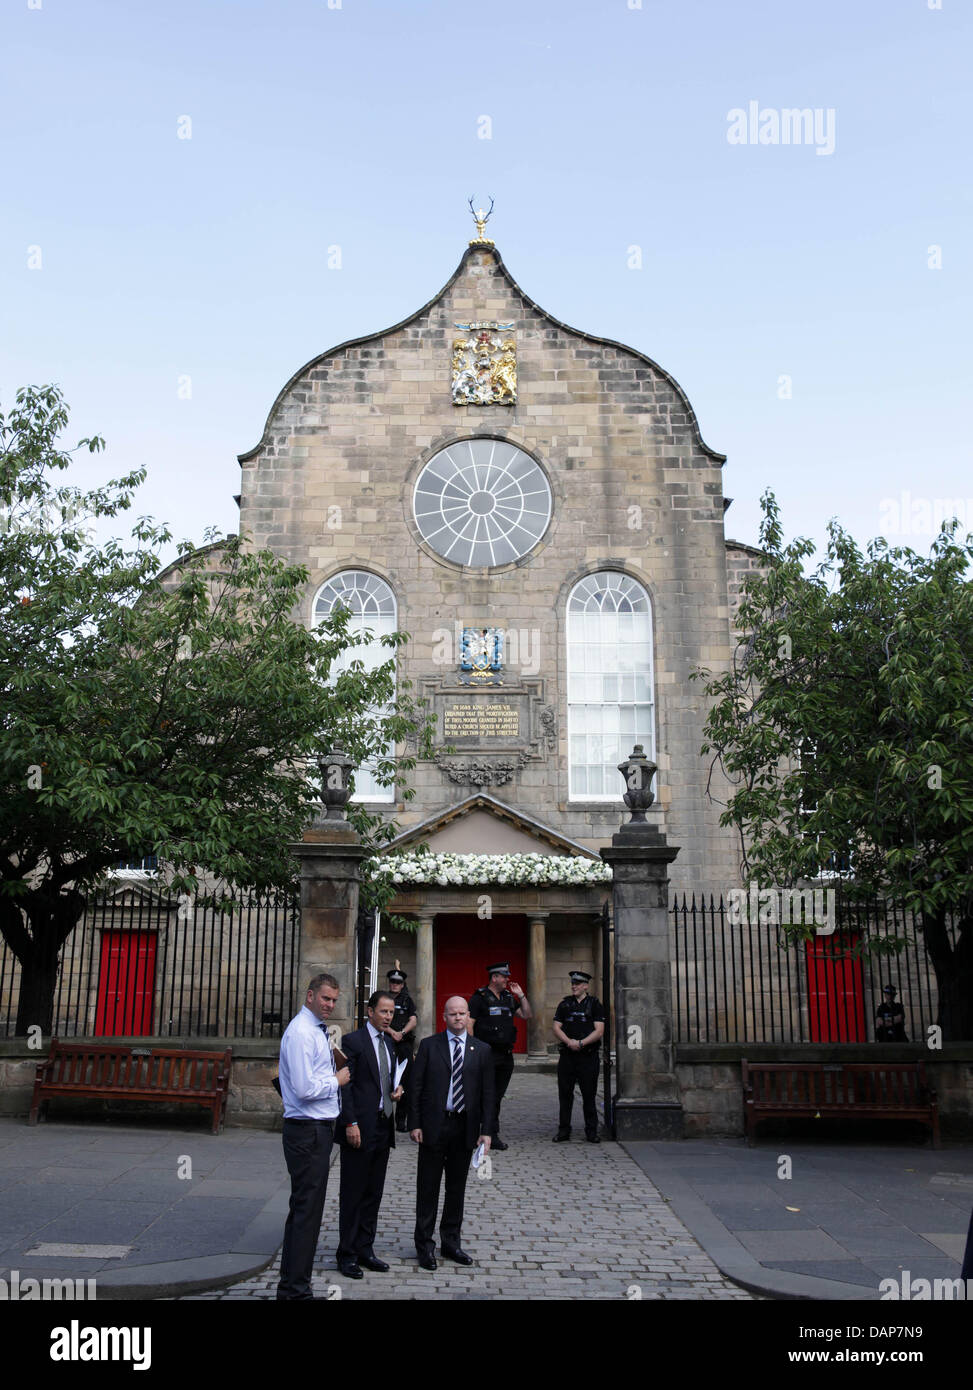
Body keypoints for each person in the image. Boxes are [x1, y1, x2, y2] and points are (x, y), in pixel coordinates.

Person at [275, 973, 351, 1300]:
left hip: (317, 1130)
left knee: (307, 1211)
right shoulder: (302, 1033)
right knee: (306, 1213)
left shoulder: (316, 1031)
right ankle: (295, 1290)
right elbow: (305, 1090)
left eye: (334, 1000)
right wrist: (338, 1080)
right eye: (325, 999)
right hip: (306, 1131)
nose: (330, 1005)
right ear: (310, 996)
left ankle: (294, 1286)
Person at [409, 995, 494, 1270]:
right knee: (428, 1188)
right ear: (444, 1017)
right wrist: (415, 1123)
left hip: (464, 1127)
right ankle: (424, 1245)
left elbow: (488, 1095)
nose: (458, 1018)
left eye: (462, 1014)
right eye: (453, 1014)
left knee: (456, 1189)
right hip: (434, 1126)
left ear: (469, 1016)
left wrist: (487, 1131)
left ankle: (451, 1242)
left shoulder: (481, 1050)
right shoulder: (429, 1046)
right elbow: (416, 1087)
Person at [334, 990, 404, 1277]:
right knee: (353, 1191)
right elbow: (345, 1087)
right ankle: (347, 1253)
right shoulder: (353, 1042)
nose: (388, 1017)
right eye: (384, 1011)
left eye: (391, 1012)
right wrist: (350, 1123)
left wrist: (397, 1092)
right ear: (370, 1011)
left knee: (373, 1192)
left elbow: (386, 1079)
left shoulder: (390, 1043)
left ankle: (366, 1248)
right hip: (359, 1127)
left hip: (382, 1125)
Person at [468, 961, 531, 1150]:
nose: (507, 980)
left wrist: (521, 995)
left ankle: (491, 1133)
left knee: (496, 1096)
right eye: (504, 976)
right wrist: (471, 1050)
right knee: (481, 1095)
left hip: (505, 1055)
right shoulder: (479, 998)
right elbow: (470, 1023)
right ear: (494, 977)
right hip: (486, 1054)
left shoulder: (508, 998)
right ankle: (474, 1133)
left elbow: (527, 1014)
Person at [552, 970, 606, 1143]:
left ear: (585, 986)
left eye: (577, 984)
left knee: (589, 1094)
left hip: (588, 1057)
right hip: (568, 1056)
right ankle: (564, 1131)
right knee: (565, 1095)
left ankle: (591, 1131)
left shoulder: (594, 1004)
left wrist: (581, 1043)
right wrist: (569, 1042)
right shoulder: (565, 1005)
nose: (573, 986)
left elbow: (599, 1031)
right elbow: (556, 1027)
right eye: (572, 983)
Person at [386, 967, 417, 1132]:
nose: (395, 985)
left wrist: (402, 1033)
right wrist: (392, 1033)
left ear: (402, 984)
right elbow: (376, 1019)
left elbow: (413, 1019)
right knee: (386, 1079)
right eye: (392, 981)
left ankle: (401, 1120)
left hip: (404, 1045)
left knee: (405, 1082)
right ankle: (386, 1116)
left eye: (398, 982)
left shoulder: (407, 1000)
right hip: (388, 1043)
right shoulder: (383, 999)